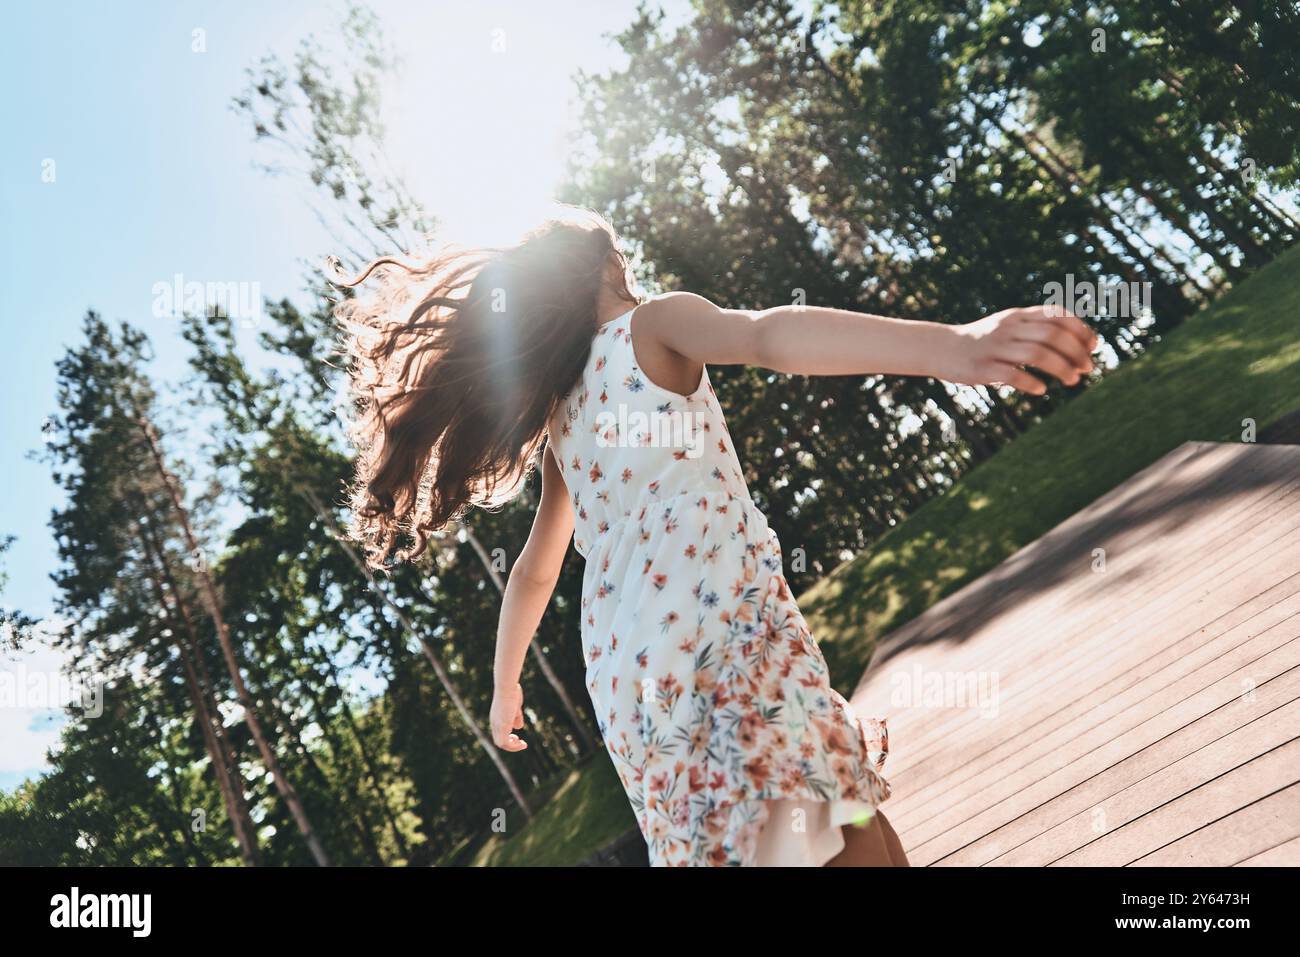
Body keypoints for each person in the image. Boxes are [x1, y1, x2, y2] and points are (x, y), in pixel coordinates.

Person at [334, 206, 1094, 866]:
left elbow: (536, 568)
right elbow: (769, 337)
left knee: (802, 820)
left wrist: (505, 685)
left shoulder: (565, 422)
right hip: (720, 625)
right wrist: (951, 347)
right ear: (605, 264)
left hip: (635, 682)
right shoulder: (654, 324)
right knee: (827, 808)